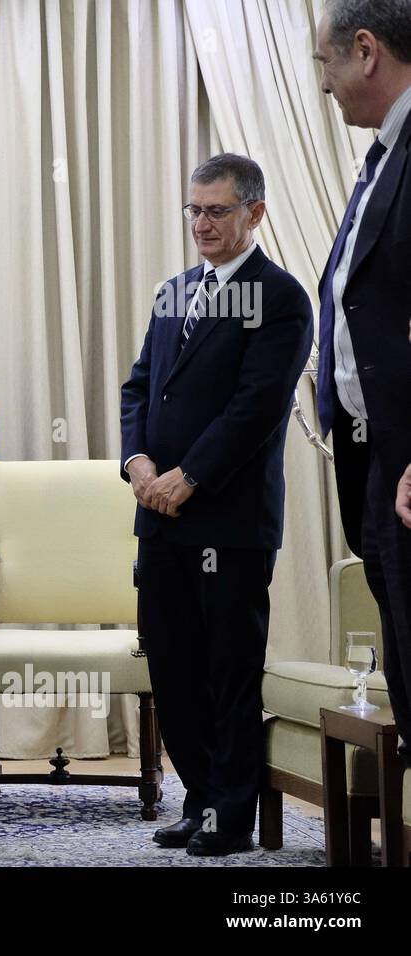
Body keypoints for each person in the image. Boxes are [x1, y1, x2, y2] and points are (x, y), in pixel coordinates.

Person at [120, 154, 312, 855]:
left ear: (254, 213)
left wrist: (188, 477)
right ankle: (199, 800)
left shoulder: (282, 296)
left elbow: (255, 406)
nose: (202, 223)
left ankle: (233, 815)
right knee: (172, 671)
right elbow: (139, 389)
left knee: (227, 673)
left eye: (217, 211)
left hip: (226, 524)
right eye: (193, 210)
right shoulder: (175, 291)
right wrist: (138, 463)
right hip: (157, 518)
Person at [313, 0, 411, 770]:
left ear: (367, 51)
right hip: (376, 453)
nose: (324, 85)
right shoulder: (383, 156)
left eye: (326, 64)